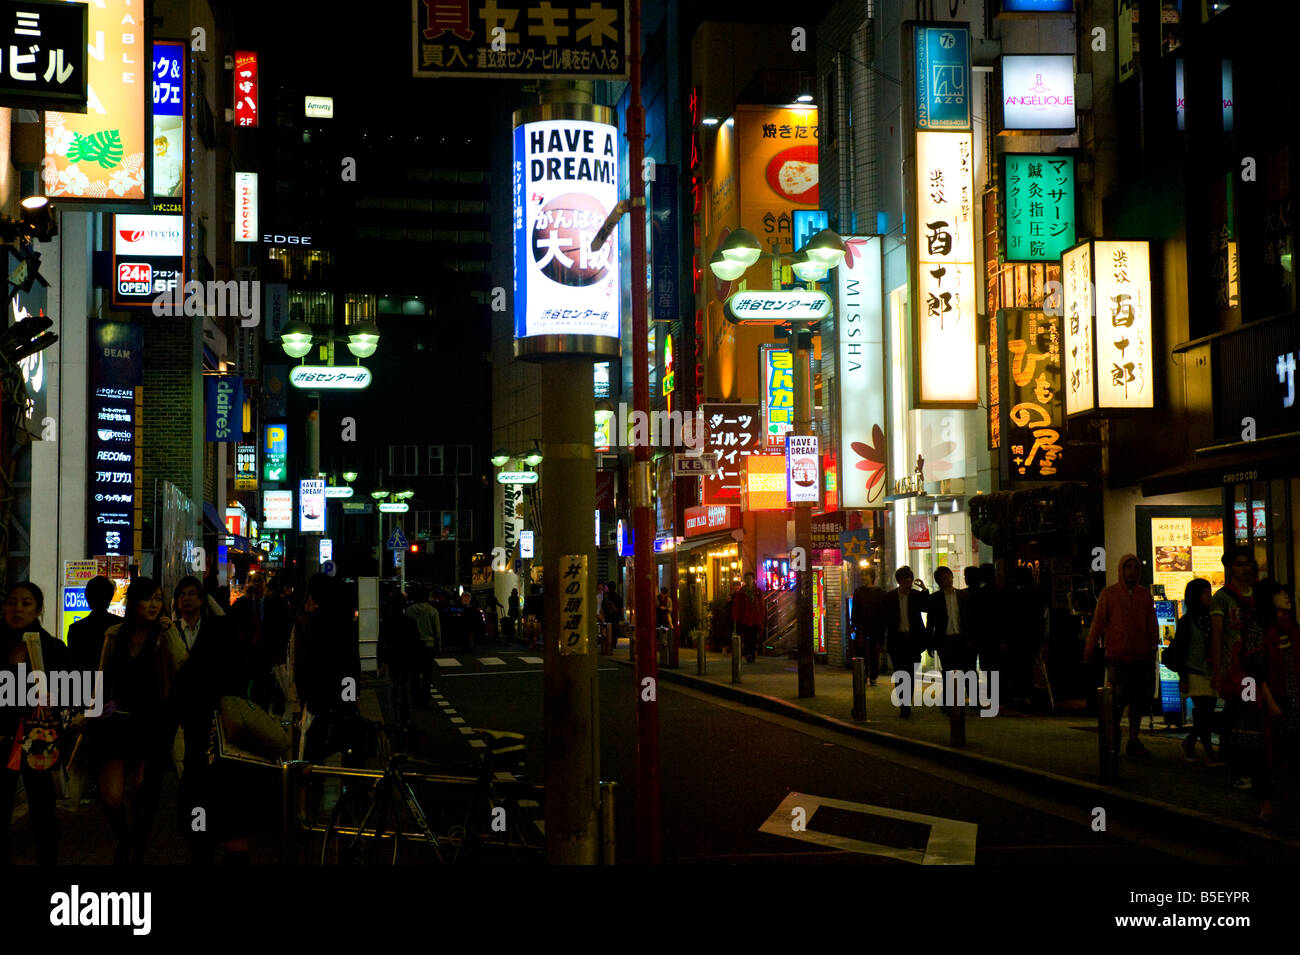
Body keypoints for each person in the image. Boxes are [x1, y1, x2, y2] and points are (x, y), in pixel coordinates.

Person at [91, 577, 188, 864]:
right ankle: (125, 835)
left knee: (145, 796)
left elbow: (183, 665)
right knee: (110, 796)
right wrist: (91, 713)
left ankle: (138, 854)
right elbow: (102, 676)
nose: (154, 604)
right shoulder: (114, 635)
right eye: (148, 598)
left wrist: (170, 632)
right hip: (117, 723)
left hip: (153, 724)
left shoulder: (164, 635)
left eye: (158, 598)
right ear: (134, 602)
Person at [0, 582, 72, 865]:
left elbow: (66, 692)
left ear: (38, 609)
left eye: (26, 603)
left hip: (40, 739)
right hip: (3, 737)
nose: (17, 609)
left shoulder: (53, 648)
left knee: (42, 810)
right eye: (11, 602)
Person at [1083, 553, 1159, 757]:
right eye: (1128, 567)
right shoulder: (1109, 594)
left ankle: (1133, 740)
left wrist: (1153, 648)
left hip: (1142, 658)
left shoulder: (1144, 595)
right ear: (1121, 570)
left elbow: (1152, 623)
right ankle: (1113, 741)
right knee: (1116, 704)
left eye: (1135, 567)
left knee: (1137, 703)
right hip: (1118, 658)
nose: (1132, 571)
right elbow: (1097, 625)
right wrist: (1089, 651)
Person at [295, 574, 362, 765]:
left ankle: (312, 776)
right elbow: (351, 660)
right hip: (344, 686)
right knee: (347, 729)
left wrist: (302, 693)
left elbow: (302, 662)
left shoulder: (307, 622)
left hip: (318, 687)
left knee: (317, 731)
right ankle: (352, 778)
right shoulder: (345, 621)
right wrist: (352, 693)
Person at [1211, 546, 1263, 791]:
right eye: (1240, 564)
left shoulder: (1259, 595)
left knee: (1250, 715)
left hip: (1258, 666)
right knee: (1244, 715)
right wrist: (1218, 671)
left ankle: (1248, 766)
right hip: (1238, 670)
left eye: (1248, 563)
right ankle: (1240, 768)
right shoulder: (1222, 597)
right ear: (1230, 567)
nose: (1245, 568)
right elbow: (1218, 634)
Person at [1167, 578, 1221, 766]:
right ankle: (1208, 751)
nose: (1209, 595)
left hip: (1211, 671)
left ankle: (1190, 743)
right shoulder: (1187, 622)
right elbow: (1181, 650)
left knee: (1206, 712)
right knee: (1205, 712)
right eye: (1205, 592)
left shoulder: (1214, 618)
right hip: (1194, 672)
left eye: (1209, 591)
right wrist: (1183, 677)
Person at [1262, 585, 1300, 820]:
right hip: (1274, 700)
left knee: (1292, 753)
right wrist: (1267, 702)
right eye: (1280, 592)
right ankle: (1267, 804)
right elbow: (1254, 670)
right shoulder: (1265, 628)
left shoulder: (1292, 627)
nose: (1287, 596)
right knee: (1270, 754)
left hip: (1292, 699)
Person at [927, 567, 973, 711]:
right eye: (943, 577)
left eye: (949, 576)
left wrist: (970, 638)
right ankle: (948, 703)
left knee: (961, 670)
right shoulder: (935, 598)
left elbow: (970, 620)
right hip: (944, 639)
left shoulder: (963, 596)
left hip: (961, 638)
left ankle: (956, 702)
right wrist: (930, 643)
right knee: (948, 671)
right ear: (939, 581)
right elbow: (931, 622)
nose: (947, 579)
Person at [883, 567, 927, 717]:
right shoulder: (889, 597)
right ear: (899, 581)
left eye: (910, 580)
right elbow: (884, 620)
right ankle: (904, 704)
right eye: (906, 581)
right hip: (897, 640)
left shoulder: (916, 595)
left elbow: (927, 607)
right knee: (901, 672)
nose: (909, 584)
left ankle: (906, 701)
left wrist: (924, 589)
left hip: (913, 640)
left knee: (910, 673)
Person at [1005, 567, 1045, 710]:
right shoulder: (1036, 597)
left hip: (1015, 639)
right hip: (1031, 639)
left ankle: (1018, 695)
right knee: (1028, 667)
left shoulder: (1011, 597)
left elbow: (1007, 621)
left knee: (1016, 667)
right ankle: (1027, 695)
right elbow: (1040, 621)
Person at [379, 593, 421, 724]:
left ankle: (394, 721)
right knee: (405, 691)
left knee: (392, 693)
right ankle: (405, 720)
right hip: (407, 661)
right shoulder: (410, 622)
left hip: (392, 660)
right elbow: (416, 644)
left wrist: (380, 664)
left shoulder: (387, 622)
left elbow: (381, 643)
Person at [67, 576, 117, 673]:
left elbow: (73, 664)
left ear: (87, 597)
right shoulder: (120, 625)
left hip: (85, 684)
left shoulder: (76, 629)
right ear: (110, 597)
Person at [850, 568, 887, 685]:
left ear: (872, 577)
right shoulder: (858, 592)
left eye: (866, 576)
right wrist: (853, 625)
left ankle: (873, 676)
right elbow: (855, 610)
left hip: (876, 626)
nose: (864, 578)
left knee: (874, 653)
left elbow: (882, 611)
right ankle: (864, 674)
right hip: (862, 627)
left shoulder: (879, 592)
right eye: (862, 576)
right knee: (861, 652)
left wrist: (883, 627)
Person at [405, 588, 441, 695]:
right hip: (429, 645)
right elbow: (437, 631)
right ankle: (425, 698)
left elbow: (406, 629)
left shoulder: (410, 610)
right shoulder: (433, 611)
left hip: (414, 645)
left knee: (414, 673)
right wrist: (438, 645)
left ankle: (415, 697)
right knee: (427, 674)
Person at [731, 572, 764, 663]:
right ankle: (748, 653)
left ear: (753, 580)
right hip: (745, 619)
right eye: (747, 579)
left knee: (754, 637)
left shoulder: (757, 591)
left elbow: (761, 605)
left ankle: (752, 653)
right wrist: (736, 618)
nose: (748, 581)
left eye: (750, 578)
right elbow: (737, 606)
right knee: (747, 637)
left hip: (755, 618)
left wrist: (761, 618)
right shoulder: (741, 592)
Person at [602, 582, 625, 650]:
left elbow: (603, 607)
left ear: (608, 587)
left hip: (608, 616)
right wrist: (622, 616)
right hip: (616, 616)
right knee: (615, 630)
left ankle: (609, 643)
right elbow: (621, 608)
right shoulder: (618, 596)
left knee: (608, 629)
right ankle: (614, 643)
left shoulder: (606, 596)